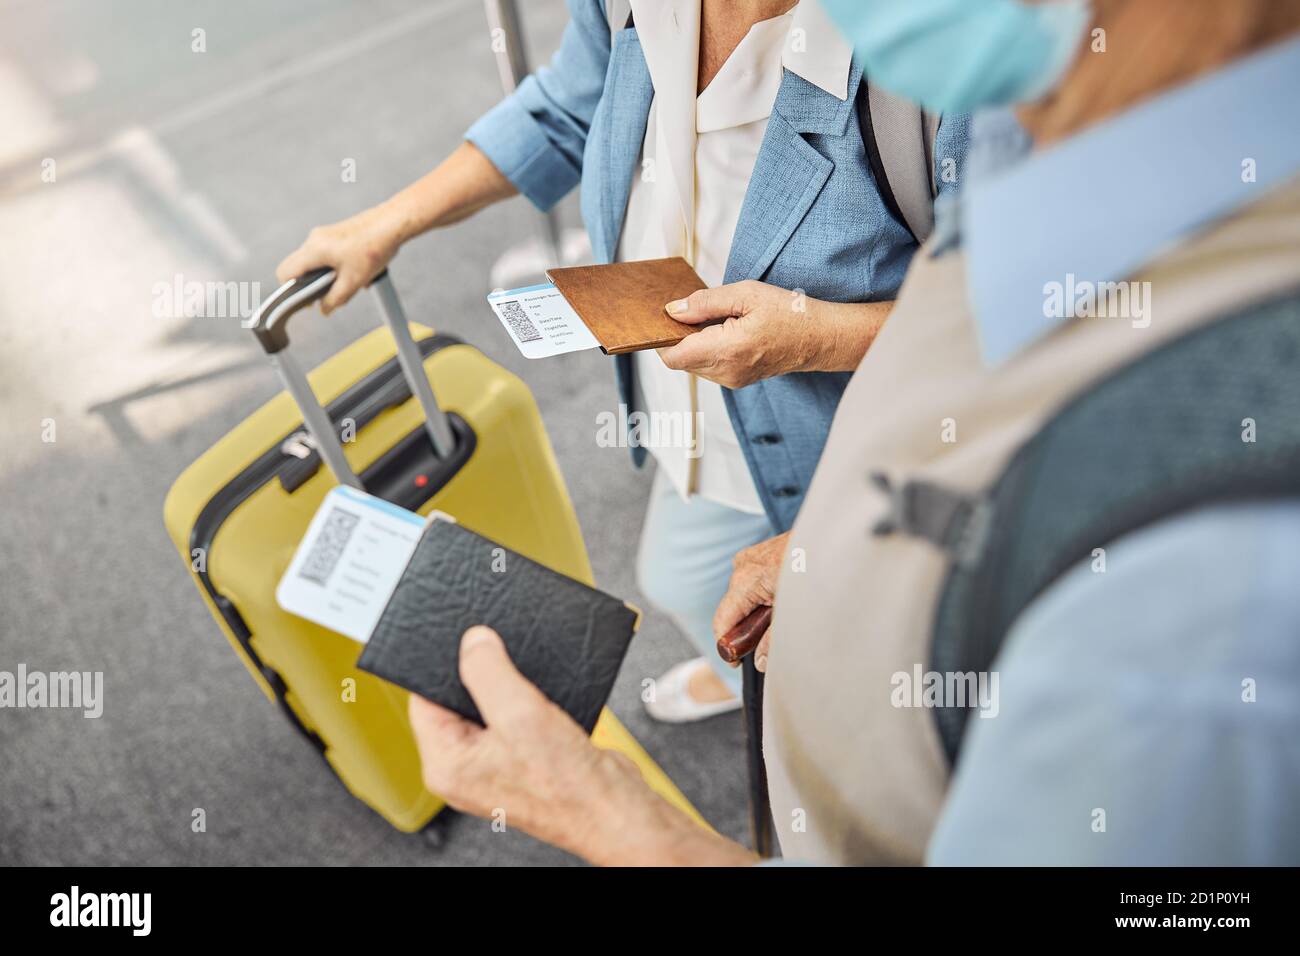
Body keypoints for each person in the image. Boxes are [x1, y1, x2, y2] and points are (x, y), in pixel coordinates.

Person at [408, 0, 1300, 865]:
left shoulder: (1218, 595)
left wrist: (605, 817)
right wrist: (821, 540)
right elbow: (980, 358)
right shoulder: (1060, 128)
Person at [277, 0, 969, 722]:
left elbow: (1017, 311)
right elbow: (567, 108)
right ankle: (760, 686)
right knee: (687, 578)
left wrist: (815, 334)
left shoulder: (946, 53)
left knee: (874, 645)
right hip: (694, 398)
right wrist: (385, 223)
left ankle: (826, 721)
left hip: (852, 429)